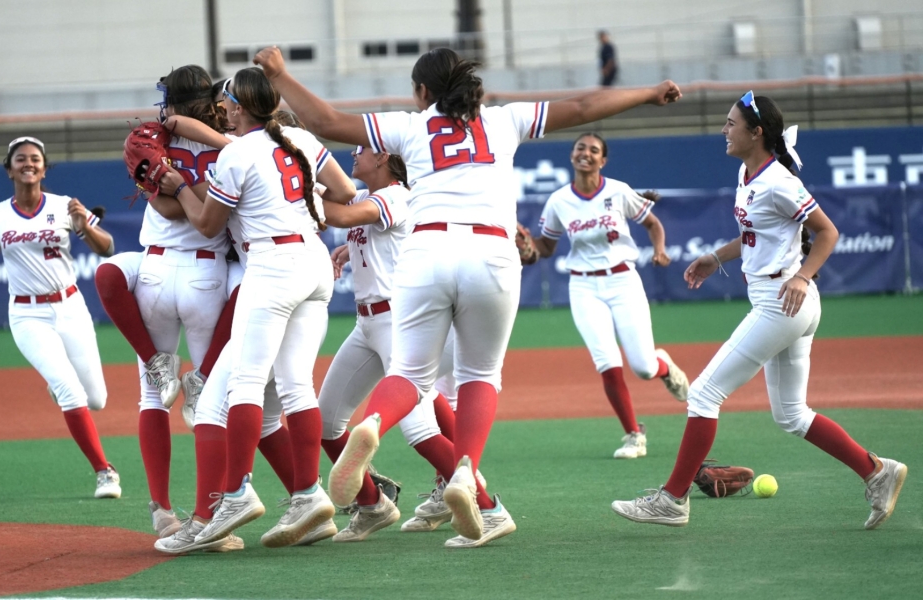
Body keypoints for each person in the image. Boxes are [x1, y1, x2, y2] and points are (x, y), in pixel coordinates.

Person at [253, 45, 681, 548]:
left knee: (409, 374)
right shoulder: (504, 120)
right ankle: (464, 472)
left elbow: (324, 119)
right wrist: (650, 93)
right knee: (480, 375)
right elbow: (584, 107)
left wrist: (279, 74)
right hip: (491, 252)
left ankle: (373, 422)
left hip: (427, 248)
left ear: (422, 92)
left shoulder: (410, 128)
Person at [611, 92, 908, 529]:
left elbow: (827, 233)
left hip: (783, 302)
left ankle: (672, 500)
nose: (724, 130)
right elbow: (754, 235)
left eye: (731, 123)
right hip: (785, 302)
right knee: (791, 414)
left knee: (704, 393)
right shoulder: (748, 172)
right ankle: (876, 471)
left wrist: (803, 276)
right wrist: (717, 257)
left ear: (757, 133)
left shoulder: (780, 182)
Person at [167, 67, 357, 549]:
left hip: (271, 262)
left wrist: (179, 187)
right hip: (313, 259)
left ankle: (235, 492)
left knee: (245, 385)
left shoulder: (238, 153)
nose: (223, 108)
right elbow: (345, 193)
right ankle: (308, 495)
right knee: (296, 385)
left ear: (239, 105)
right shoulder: (297, 136)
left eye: (227, 102)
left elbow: (209, 225)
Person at [93, 65, 233, 539]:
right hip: (207, 275)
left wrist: (171, 185)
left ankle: (160, 508)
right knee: (212, 404)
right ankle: (209, 514)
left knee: (152, 397)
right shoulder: (233, 138)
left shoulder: (150, 136)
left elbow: (163, 201)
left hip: (155, 270)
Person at [0, 136, 121, 499]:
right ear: (9, 169)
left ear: (43, 167)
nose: (29, 163)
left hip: (70, 308)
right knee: (71, 391)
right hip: (27, 313)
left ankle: (59, 384)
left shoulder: (63, 205)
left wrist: (83, 225)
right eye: (20, 159)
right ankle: (105, 471)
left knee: (96, 399)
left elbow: (108, 247)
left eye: (35, 159)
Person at [317, 145, 463, 542]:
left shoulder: (398, 195)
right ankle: (372, 505)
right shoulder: (366, 196)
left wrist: (293, 191)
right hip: (366, 325)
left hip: (400, 321)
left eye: (363, 149)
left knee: (418, 429)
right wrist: (352, 247)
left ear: (384, 158)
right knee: (326, 421)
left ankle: (483, 501)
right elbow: (352, 214)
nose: (355, 154)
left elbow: (341, 213)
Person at [517, 132, 689, 459]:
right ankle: (633, 435)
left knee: (643, 367)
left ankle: (662, 365)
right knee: (607, 363)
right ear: (571, 156)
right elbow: (547, 247)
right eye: (580, 148)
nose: (586, 153)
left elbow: (653, 224)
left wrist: (660, 250)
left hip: (623, 281)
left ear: (603, 160)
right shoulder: (558, 201)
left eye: (593, 150)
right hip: (583, 287)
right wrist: (529, 248)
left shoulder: (618, 191)